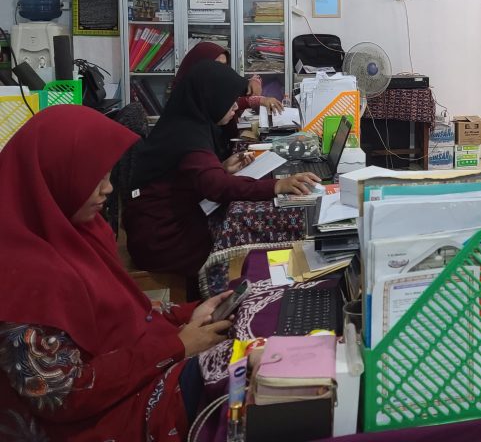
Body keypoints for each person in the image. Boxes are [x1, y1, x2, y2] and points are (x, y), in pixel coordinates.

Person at [0, 105, 236, 440]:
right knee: (241, 386)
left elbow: (124, 313)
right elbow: (63, 395)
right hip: (88, 419)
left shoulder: (79, 231)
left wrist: (188, 314)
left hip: (131, 371)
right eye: (92, 179)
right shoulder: (22, 278)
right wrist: (177, 346)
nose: (108, 189)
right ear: (51, 176)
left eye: (108, 175)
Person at [124, 60, 319, 279]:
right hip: (162, 241)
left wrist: (220, 168)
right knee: (246, 241)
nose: (236, 107)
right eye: (230, 102)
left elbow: (191, 176)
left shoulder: (185, 121)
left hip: (157, 225)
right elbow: (217, 188)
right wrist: (277, 185)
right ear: (211, 98)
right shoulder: (189, 138)